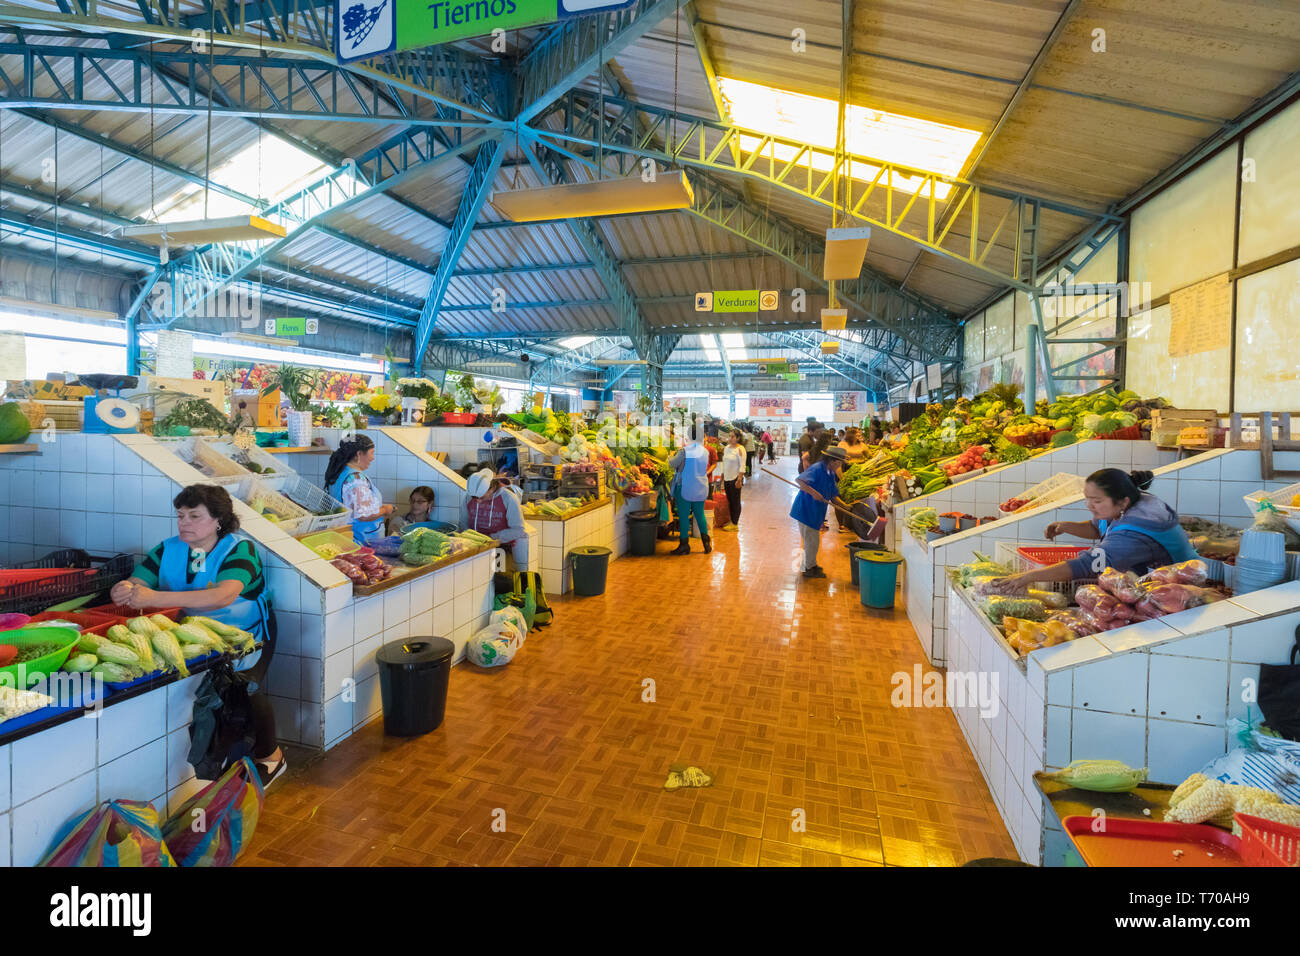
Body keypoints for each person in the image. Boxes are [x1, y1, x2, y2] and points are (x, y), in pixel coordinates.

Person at [110, 484, 284, 787]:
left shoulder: (240, 549)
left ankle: (271, 756)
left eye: (194, 516)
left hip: (246, 635)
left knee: (244, 688)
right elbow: (136, 581)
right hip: (193, 636)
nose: (184, 523)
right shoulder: (168, 549)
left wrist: (155, 598)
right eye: (180, 516)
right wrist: (125, 589)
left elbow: (223, 596)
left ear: (218, 519)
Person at [992, 469, 1198, 592]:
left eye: (1097, 501)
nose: (1089, 506)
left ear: (1122, 501)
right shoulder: (1132, 503)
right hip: (1152, 582)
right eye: (1087, 499)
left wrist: (1029, 576)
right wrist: (1066, 527)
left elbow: (1089, 564)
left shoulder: (1137, 531)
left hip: (1182, 592)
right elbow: (1097, 528)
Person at [791, 446, 849, 579]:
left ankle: (810, 565)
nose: (840, 466)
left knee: (812, 541)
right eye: (839, 463)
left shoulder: (830, 473)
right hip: (806, 509)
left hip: (816, 512)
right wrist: (814, 493)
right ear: (832, 461)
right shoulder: (817, 468)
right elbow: (799, 480)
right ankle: (808, 568)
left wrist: (845, 506)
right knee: (811, 540)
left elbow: (833, 495)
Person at [326, 435, 393, 545]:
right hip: (361, 541)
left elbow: (355, 504)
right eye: (372, 453)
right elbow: (364, 515)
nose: (373, 458)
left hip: (345, 537)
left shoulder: (340, 472)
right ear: (359, 454)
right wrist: (385, 510)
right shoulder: (355, 480)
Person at [462, 468, 530, 569]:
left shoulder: (509, 499)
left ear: (492, 489)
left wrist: (491, 538)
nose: (478, 501)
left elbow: (519, 530)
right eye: (474, 498)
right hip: (474, 548)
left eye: (482, 497)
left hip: (500, 549)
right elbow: (463, 523)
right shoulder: (468, 497)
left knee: (500, 582)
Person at [669, 425, 712, 554]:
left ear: (688, 436)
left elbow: (672, 464)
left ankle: (684, 546)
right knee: (700, 515)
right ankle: (706, 543)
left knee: (683, 516)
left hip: (684, 487)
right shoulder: (705, 451)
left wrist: (671, 455)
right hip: (700, 487)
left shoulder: (684, 451)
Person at [720, 427, 747, 531]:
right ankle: (732, 520)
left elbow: (742, 465)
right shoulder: (727, 448)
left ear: (738, 438)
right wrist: (722, 475)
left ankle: (735, 524)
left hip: (735, 479)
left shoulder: (740, 449)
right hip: (727, 478)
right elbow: (725, 462)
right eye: (729, 436)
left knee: (735, 501)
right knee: (730, 501)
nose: (730, 438)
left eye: (732, 436)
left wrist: (739, 479)